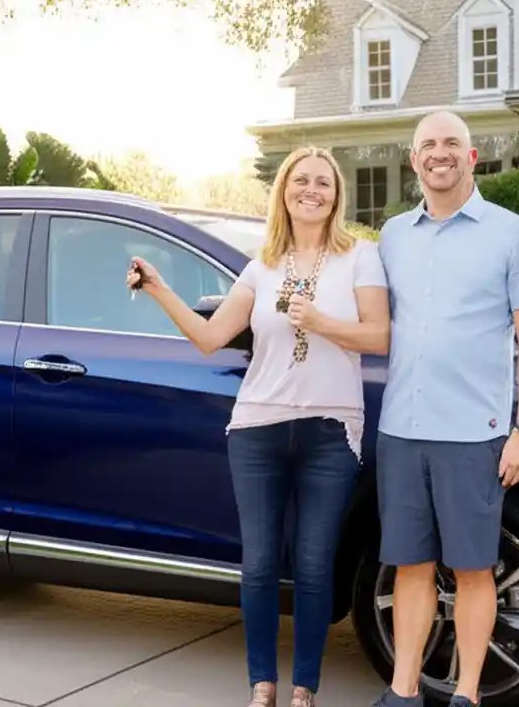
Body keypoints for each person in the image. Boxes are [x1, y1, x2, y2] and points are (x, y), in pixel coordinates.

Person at [126, 146, 390, 707]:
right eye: (300, 180)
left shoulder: (360, 258)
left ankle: (305, 687)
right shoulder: (261, 266)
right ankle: (262, 684)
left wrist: (320, 321)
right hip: (258, 428)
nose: (311, 189)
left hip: (329, 430)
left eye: (323, 181)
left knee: (316, 564)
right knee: (261, 562)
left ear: (336, 194)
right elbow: (209, 338)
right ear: (284, 191)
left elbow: (380, 337)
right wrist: (157, 287)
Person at [369, 111, 519, 707]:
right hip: (401, 430)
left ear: (472, 157)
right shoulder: (393, 236)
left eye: (452, 143)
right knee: (410, 568)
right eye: (428, 145)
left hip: (476, 434)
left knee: (475, 570)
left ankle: (467, 694)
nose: (439, 153)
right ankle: (404, 693)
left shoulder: (512, 233)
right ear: (413, 159)